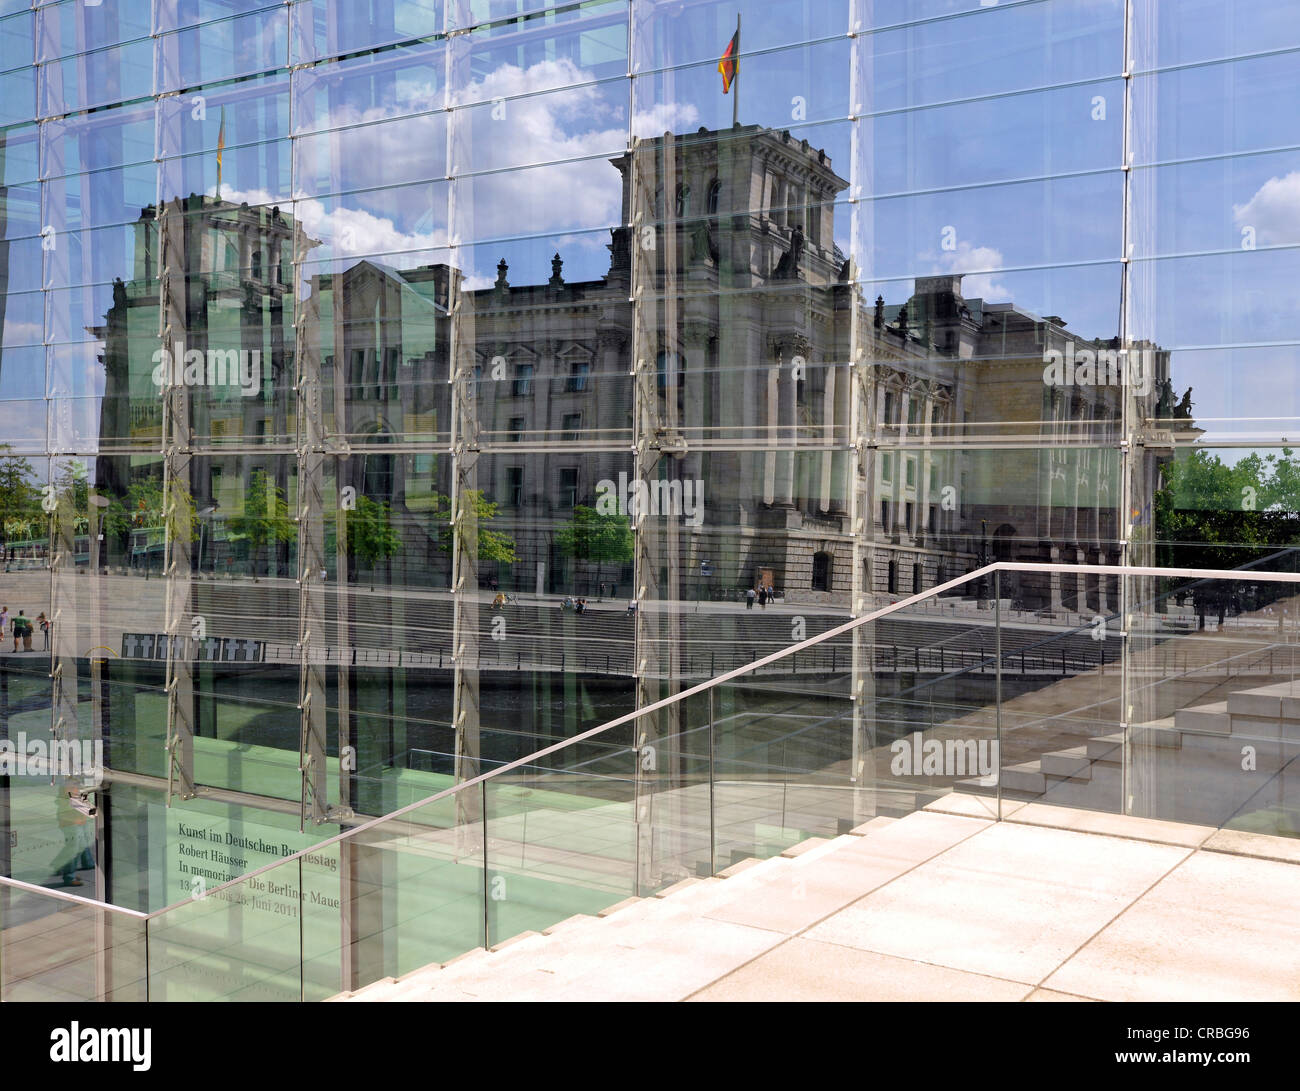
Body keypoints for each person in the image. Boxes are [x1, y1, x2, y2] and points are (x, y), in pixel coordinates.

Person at [54, 780, 95, 887]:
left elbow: (86, 805)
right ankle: (69, 877)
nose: (75, 789)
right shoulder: (65, 801)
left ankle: (60, 866)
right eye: (72, 787)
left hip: (81, 822)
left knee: (81, 845)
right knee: (73, 848)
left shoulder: (78, 794)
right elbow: (65, 814)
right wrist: (75, 819)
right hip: (70, 825)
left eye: (76, 786)